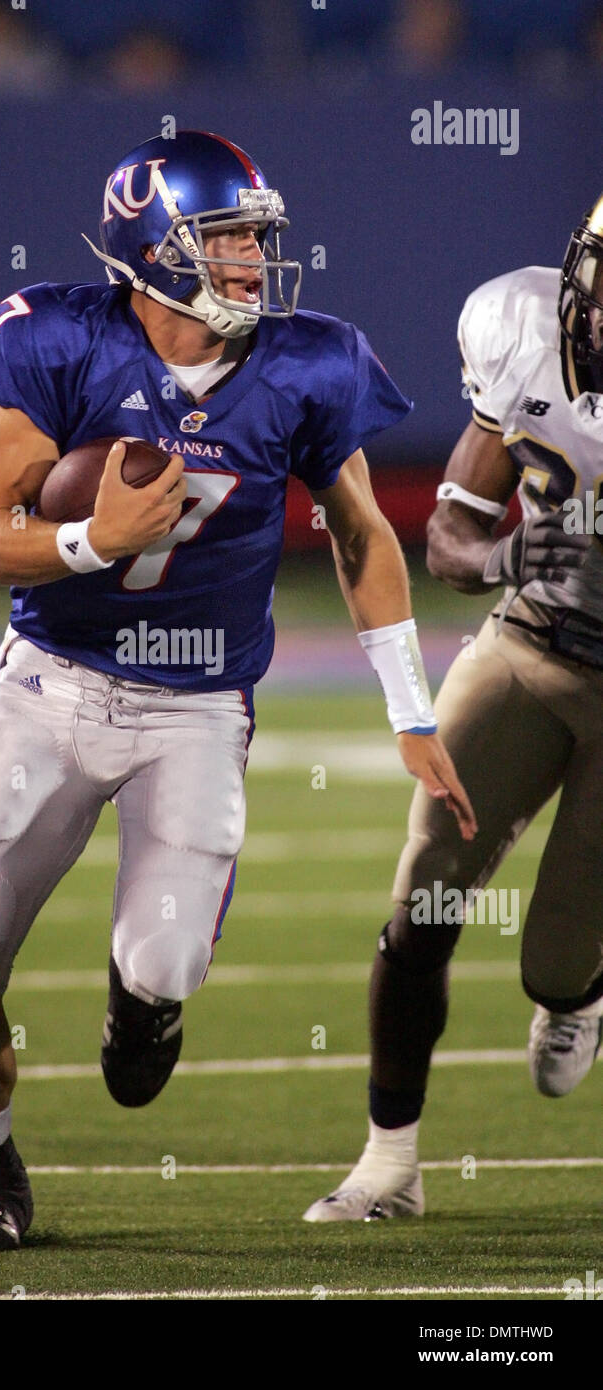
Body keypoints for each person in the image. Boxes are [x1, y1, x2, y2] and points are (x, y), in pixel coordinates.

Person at [0, 128, 474, 1251]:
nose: (249, 263)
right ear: (149, 249)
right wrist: (88, 541)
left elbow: (361, 534)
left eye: (252, 239)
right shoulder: (59, 342)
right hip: (50, 685)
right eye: (221, 240)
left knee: (162, 968)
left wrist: (411, 708)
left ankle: (143, 1002)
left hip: (197, 707)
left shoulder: (308, 361)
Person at [304, 195, 603, 1224]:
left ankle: (572, 997)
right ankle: (389, 1164)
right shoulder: (514, 329)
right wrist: (504, 555)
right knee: (421, 901)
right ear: (574, 274)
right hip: (528, 645)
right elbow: (449, 535)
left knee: (554, 959)